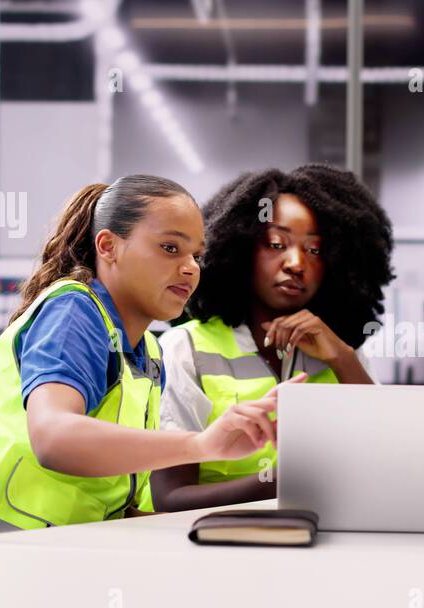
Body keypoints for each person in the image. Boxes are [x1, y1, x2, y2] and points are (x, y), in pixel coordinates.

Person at [0, 175, 296, 553]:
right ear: (108, 247)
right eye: (170, 248)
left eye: (197, 255)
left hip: (42, 561)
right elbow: (54, 438)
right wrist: (202, 445)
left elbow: (106, 505)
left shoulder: (148, 354)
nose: (190, 267)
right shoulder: (74, 310)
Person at [151, 164, 395, 512]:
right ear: (240, 249)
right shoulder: (186, 349)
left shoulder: (341, 355)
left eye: (315, 250)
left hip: (318, 546)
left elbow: (388, 461)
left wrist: (342, 357)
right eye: (276, 243)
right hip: (212, 549)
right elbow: (170, 498)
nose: (296, 263)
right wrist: (283, 482)